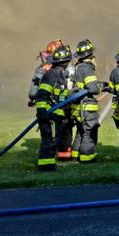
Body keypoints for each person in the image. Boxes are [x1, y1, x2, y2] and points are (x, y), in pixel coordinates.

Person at [32, 43, 73, 171]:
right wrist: (43, 113)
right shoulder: (52, 74)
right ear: (66, 61)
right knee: (48, 140)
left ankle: (48, 165)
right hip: (49, 114)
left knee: (53, 141)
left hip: (55, 114)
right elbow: (42, 94)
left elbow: (60, 95)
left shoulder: (59, 74)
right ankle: (45, 166)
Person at [72, 39, 102, 163]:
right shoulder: (87, 68)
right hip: (86, 107)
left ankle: (75, 154)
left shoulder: (78, 67)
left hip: (78, 107)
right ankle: (86, 157)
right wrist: (100, 87)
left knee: (80, 131)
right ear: (90, 56)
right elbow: (93, 88)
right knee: (89, 131)